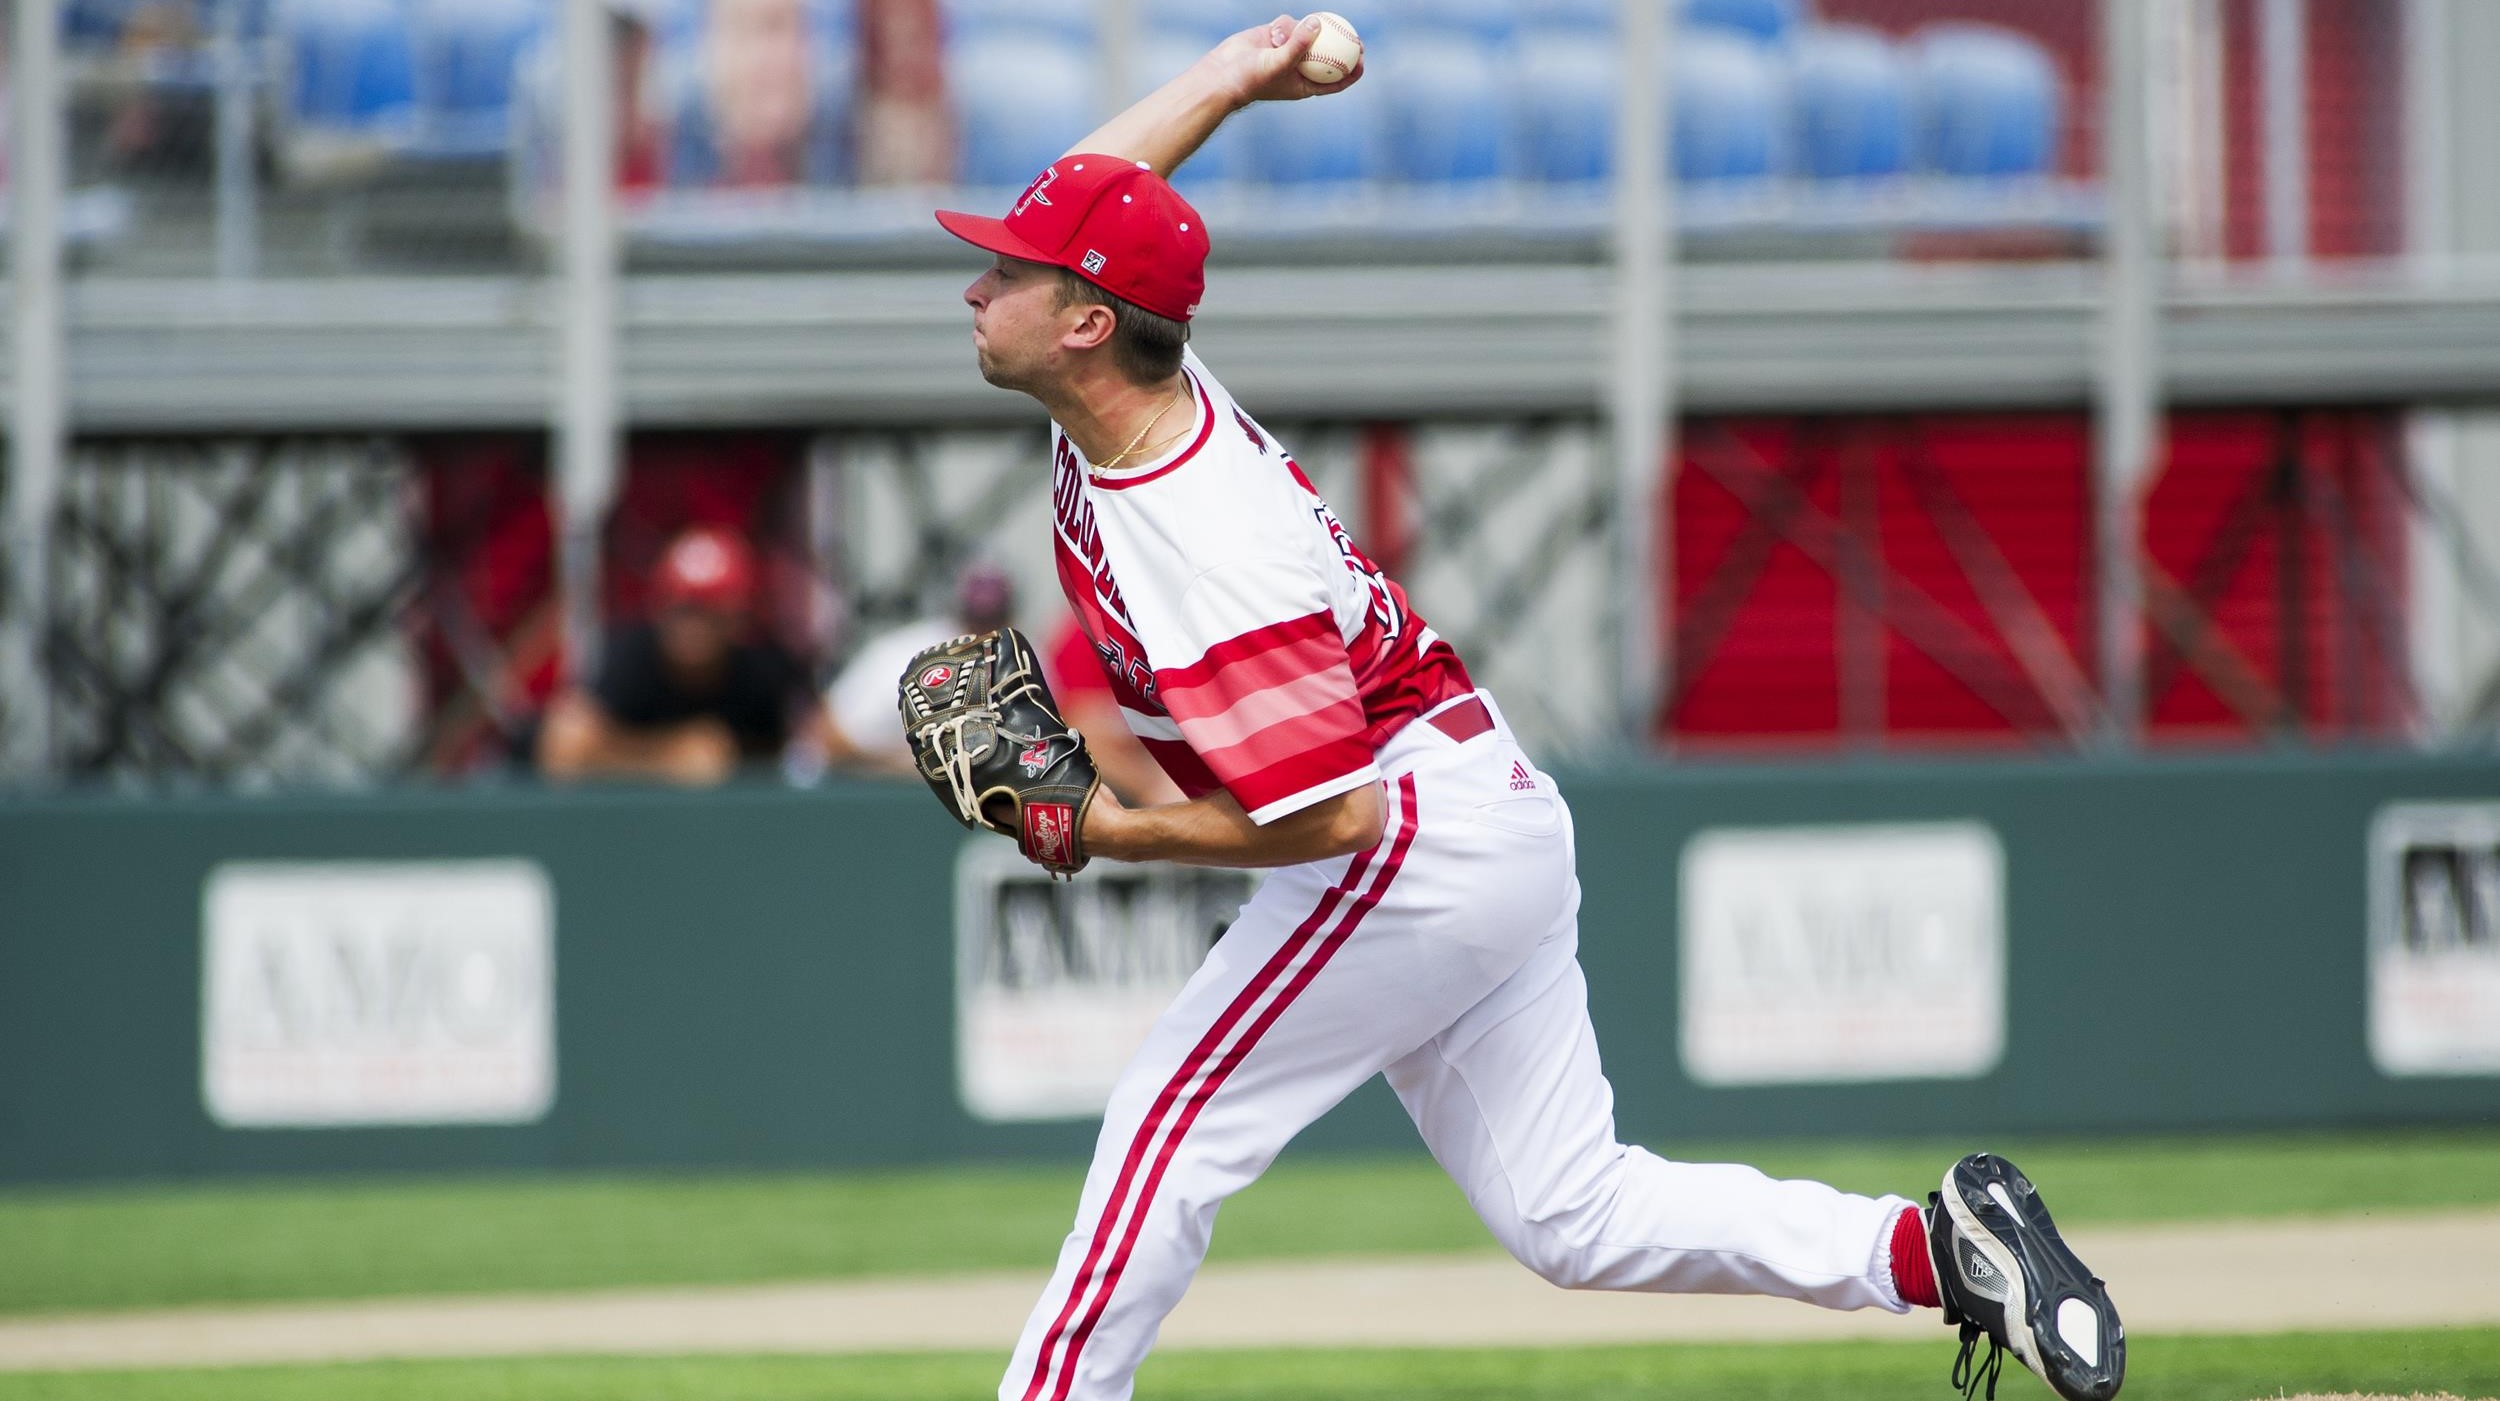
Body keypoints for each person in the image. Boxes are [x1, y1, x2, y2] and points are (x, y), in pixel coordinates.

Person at [930, 16, 2124, 1401]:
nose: (974, 286)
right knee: (1572, 1211)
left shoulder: (1203, 537)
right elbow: (1100, 191)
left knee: (1168, 1124)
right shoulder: (1131, 381)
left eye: (1004, 272)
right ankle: (1935, 1253)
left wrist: (1105, 830)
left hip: (1402, 834)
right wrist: (1233, 75)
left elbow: (1335, 817)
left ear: (1085, 323)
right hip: (1477, 800)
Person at [537, 525, 810, 785]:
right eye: (682, 609)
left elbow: (812, 744)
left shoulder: (763, 671)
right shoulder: (632, 659)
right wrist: (668, 758)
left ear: (738, 618)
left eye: (710, 613)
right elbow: (564, 748)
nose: (692, 627)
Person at [815, 562, 1017, 776]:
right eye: (977, 621)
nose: (985, 633)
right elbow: (827, 738)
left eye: (995, 621)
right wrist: (919, 760)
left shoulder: (1019, 661)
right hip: (866, 786)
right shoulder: (908, 658)